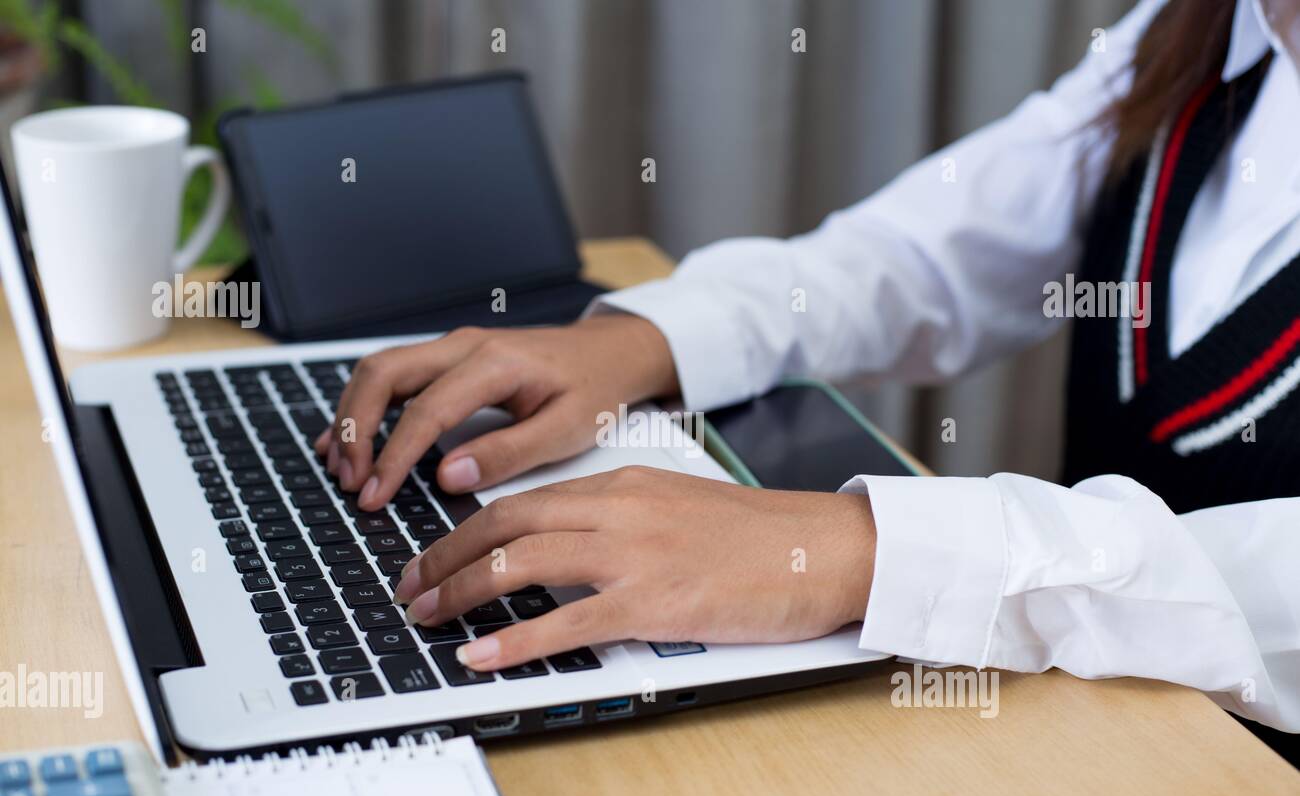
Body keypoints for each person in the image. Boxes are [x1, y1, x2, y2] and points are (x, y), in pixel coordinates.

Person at [315, 0, 1300, 752]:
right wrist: (649, 337)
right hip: (1096, 722)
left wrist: (859, 551)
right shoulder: (1203, 32)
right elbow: (928, 255)